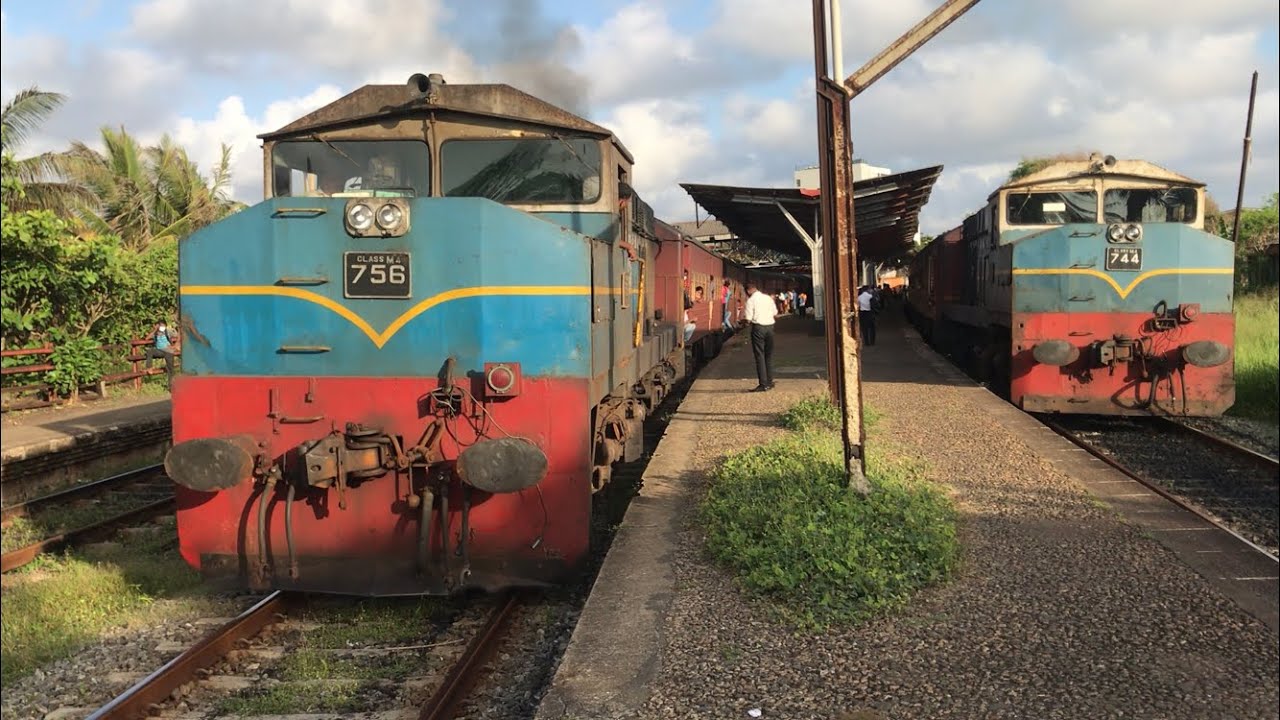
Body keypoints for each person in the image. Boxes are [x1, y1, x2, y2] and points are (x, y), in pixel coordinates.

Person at [744, 281, 778, 392]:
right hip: (770, 328)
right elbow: (775, 312)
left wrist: (745, 323)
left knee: (760, 356)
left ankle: (763, 384)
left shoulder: (750, 301)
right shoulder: (768, 298)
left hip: (758, 328)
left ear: (749, 291)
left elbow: (748, 318)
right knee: (768, 355)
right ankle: (770, 381)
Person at [145, 320, 180, 385]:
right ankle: (149, 368)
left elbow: (178, 336)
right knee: (149, 351)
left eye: (163, 326)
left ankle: (171, 386)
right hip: (159, 351)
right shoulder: (155, 333)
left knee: (170, 369)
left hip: (168, 351)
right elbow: (147, 338)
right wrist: (155, 330)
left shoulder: (168, 331)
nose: (162, 327)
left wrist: (175, 345)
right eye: (160, 326)